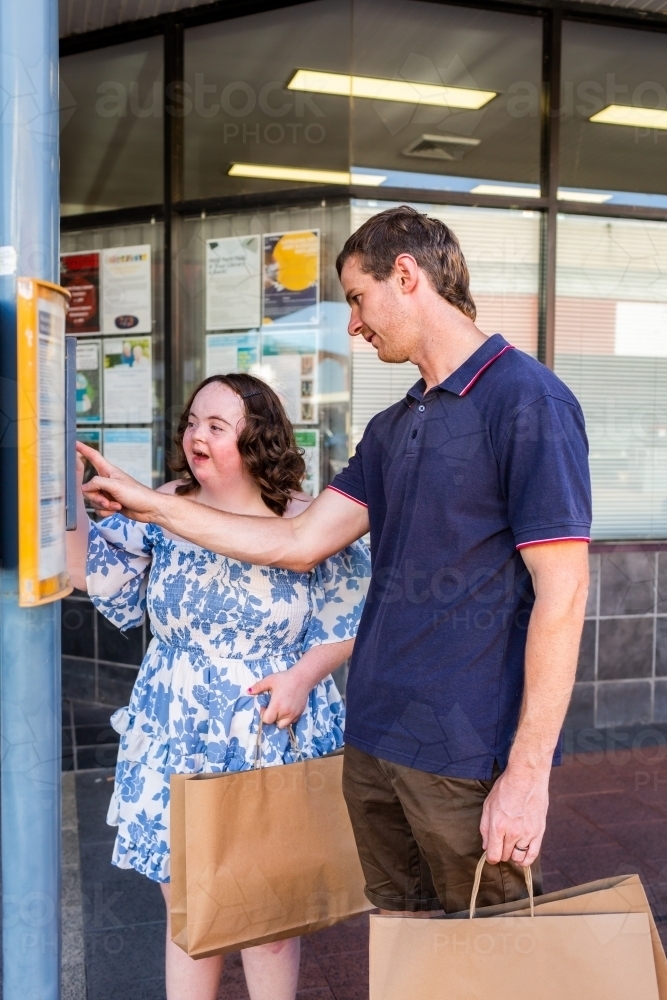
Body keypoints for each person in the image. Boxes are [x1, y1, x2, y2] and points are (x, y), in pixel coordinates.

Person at [80, 205, 591, 920]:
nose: (353, 324)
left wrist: (527, 772)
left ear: (405, 276)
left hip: (466, 750)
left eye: (357, 297)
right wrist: (150, 504)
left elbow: (562, 592)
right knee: (405, 946)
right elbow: (297, 543)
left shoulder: (527, 401)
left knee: (493, 951)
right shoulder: (392, 426)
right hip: (378, 738)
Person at [68, 372, 370, 1000]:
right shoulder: (165, 503)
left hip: (271, 730)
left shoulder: (303, 519)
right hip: (174, 727)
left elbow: (352, 619)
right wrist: (65, 492)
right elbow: (88, 572)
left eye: (216, 425)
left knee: (271, 920)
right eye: (191, 422)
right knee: (189, 914)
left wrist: (302, 677)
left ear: (256, 439)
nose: (194, 435)